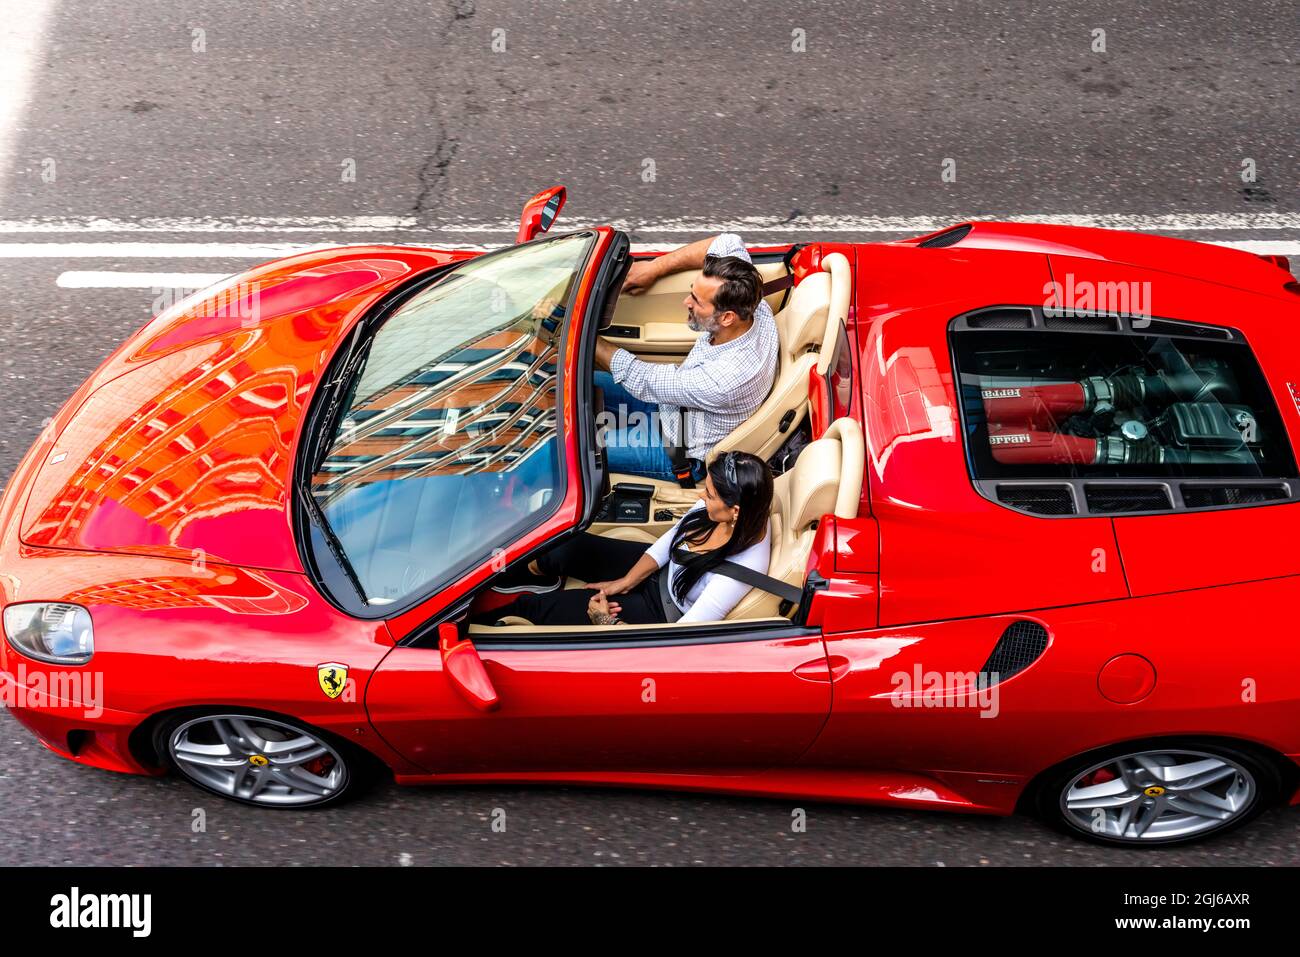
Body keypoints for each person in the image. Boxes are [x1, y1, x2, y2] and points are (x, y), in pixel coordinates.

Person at [484, 452, 773, 624]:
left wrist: (605, 621)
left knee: (535, 609)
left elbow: (683, 640)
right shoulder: (746, 507)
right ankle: (507, 574)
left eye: (709, 495)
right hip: (662, 573)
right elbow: (672, 538)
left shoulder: (738, 573)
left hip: (661, 610)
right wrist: (626, 581)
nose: (701, 496)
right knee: (563, 549)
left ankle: (470, 624)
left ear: (734, 510)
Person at [591, 234, 778, 484]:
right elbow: (726, 242)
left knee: (569, 449)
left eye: (697, 301)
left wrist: (578, 332)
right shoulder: (753, 302)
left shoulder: (726, 378)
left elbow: (643, 378)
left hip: (674, 448)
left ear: (726, 318)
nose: (685, 302)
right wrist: (655, 268)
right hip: (672, 407)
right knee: (569, 382)